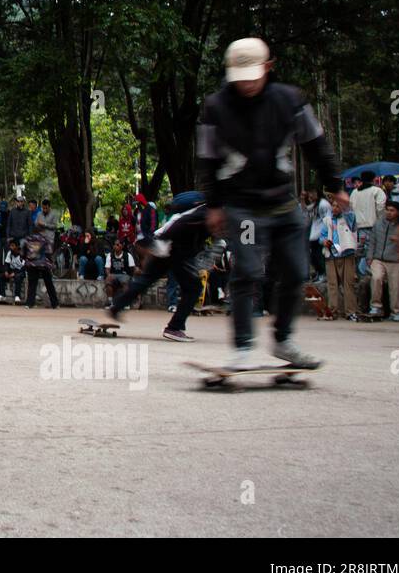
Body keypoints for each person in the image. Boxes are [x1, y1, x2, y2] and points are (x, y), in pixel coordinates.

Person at [196, 38, 344, 370]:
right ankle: (244, 347)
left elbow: (315, 143)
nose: (246, 83)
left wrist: (335, 185)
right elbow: (206, 159)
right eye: (240, 76)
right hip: (242, 207)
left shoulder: (289, 100)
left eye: (253, 75)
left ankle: (283, 340)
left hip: (282, 203)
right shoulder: (215, 107)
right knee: (247, 270)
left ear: (267, 68)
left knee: (295, 271)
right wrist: (215, 205)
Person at [106, 190, 210, 341]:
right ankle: (175, 327)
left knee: (145, 280)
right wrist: (157, 244)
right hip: (172, 247)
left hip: (166, 244)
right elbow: (178, 224)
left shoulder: (206, 210)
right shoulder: (204, 212)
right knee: (193, 287)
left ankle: (117, 306)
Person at [320, 195, 359, 320]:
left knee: (348, 283)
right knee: (332, 284)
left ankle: (350, 312)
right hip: (331, 254)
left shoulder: (349, 217)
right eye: (334, 206)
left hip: (346, 254)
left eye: (338, 206)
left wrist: (345, 205)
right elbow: (322, 236)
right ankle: (332, 311)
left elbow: (350, 218)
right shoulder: (327, 220)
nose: (335, 208)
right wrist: (324, 241)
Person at [365, 199, 399, 320]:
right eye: (387, 209)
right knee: (376, 278)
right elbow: (372, 241)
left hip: (395, 260)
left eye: (392, 210)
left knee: (395, 286)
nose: (389, 212)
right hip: (378, 259)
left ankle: (396, 312)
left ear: (398, 212)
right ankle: (376, 307)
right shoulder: (378, 223)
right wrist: (369, 256)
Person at [349, 170, 386, 275]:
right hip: (373, 226)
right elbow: (381, 208)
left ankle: (359, 272)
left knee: (362, 250)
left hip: (359, 227)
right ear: (374, 179)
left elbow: (351, 208)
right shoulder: (377, 191)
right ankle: (365, 270)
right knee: (371, 250)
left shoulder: (354, 192)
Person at [21, 231, 59, 308]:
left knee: (32, 285)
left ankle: (29, 303)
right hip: (44, 264)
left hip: (31, 264)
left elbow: (23, 253)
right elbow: (49, 252)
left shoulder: (27, 239)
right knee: (49, 284)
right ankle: (55, 304)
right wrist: (51, 262)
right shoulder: (45, 239)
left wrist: (26, 259)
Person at [0, 237, 24, 304]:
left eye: (13, 246)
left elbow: (23, 268)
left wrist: (14, 273)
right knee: (0, 276)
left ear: (17, 246)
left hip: (20, 271)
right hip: (11, 270)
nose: (11, 247)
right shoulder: (9, 253)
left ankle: (17, 296)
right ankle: (1, 295)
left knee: (18, 277)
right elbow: (6, 264)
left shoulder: (22, 255)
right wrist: (6, 271)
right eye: (10, 245)